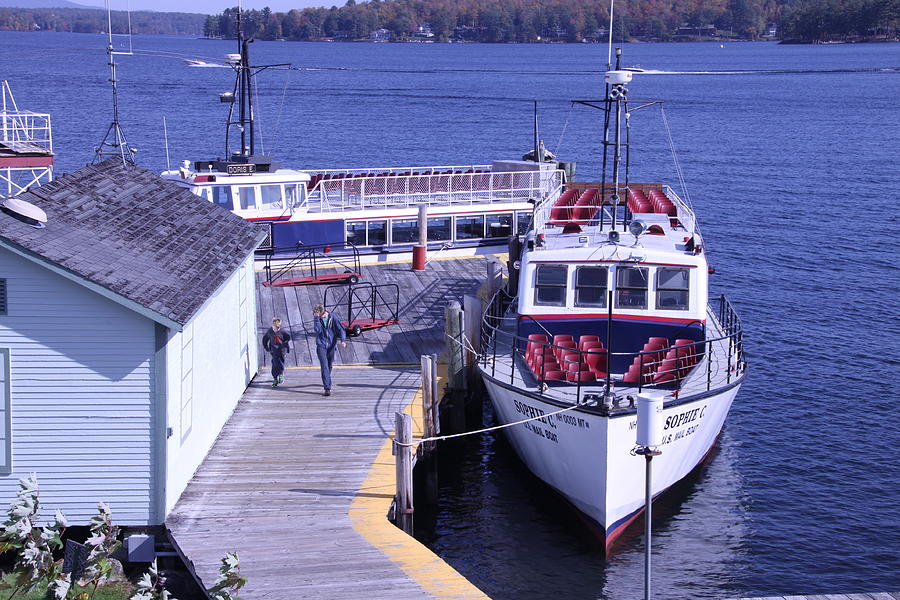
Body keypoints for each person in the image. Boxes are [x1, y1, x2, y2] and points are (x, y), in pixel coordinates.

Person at [313, 304, 346, 396]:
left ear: (322, 313)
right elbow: (317, 330)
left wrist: (343, 340)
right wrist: (316, 319)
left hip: (331, 345)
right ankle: (327, 388)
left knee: (329, 365)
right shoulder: (317, 319)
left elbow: (341, 329)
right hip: (321, 346)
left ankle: (327, 377)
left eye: (318, 315)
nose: (317, 316)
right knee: (324, 367)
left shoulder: (333, 317)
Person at [262, 318, 291, 388]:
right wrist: (266, 347)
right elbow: (265, 339)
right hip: (273, 350)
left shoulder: (283, 332)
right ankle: (275, 378)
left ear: (279, 327)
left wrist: (285, 344)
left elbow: (288, 337)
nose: (275, 330)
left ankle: (281, 374)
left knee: (280, 362)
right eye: (274, 328)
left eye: (277, 328)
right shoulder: (270, 331)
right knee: (275, 364)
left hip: (281, 351)